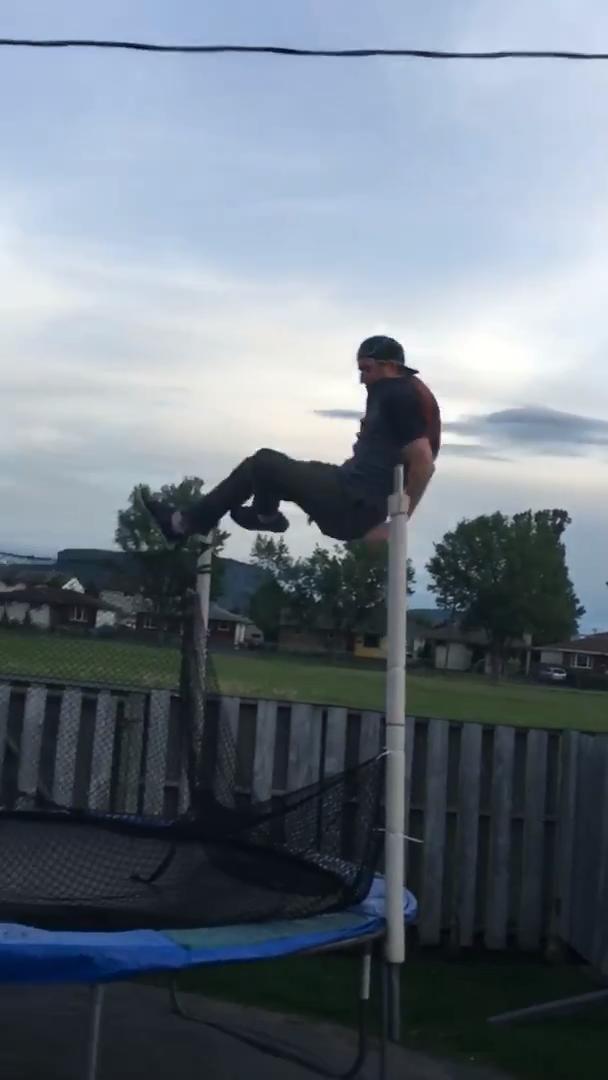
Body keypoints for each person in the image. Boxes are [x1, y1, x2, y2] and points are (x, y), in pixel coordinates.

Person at [140, 335, 440, 545]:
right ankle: (183, 523)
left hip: (353, 503)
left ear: (390, 366)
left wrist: (398, 523)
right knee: (254, 469)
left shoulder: (398, 394)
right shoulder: (403, 392)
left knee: (267, 463)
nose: (361, 379)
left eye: (366, 369)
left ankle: (266, 515)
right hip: (348, 486)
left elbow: (424, 463)